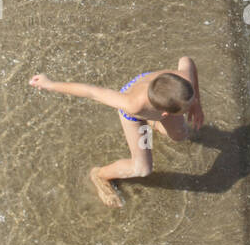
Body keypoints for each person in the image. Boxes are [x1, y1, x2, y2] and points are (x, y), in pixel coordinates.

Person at [29, 57, 204, 207]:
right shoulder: (131, 104)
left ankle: (154, 123)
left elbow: (186, 60)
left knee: (180, 135)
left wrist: (197, 104)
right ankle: (100, 175)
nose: (192, 104)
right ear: (166, 114)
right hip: (134, 115)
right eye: (187, 108)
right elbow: (92, 92)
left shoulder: (184, 83)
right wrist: (49, 84)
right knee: (142, 168)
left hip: (160, 91)